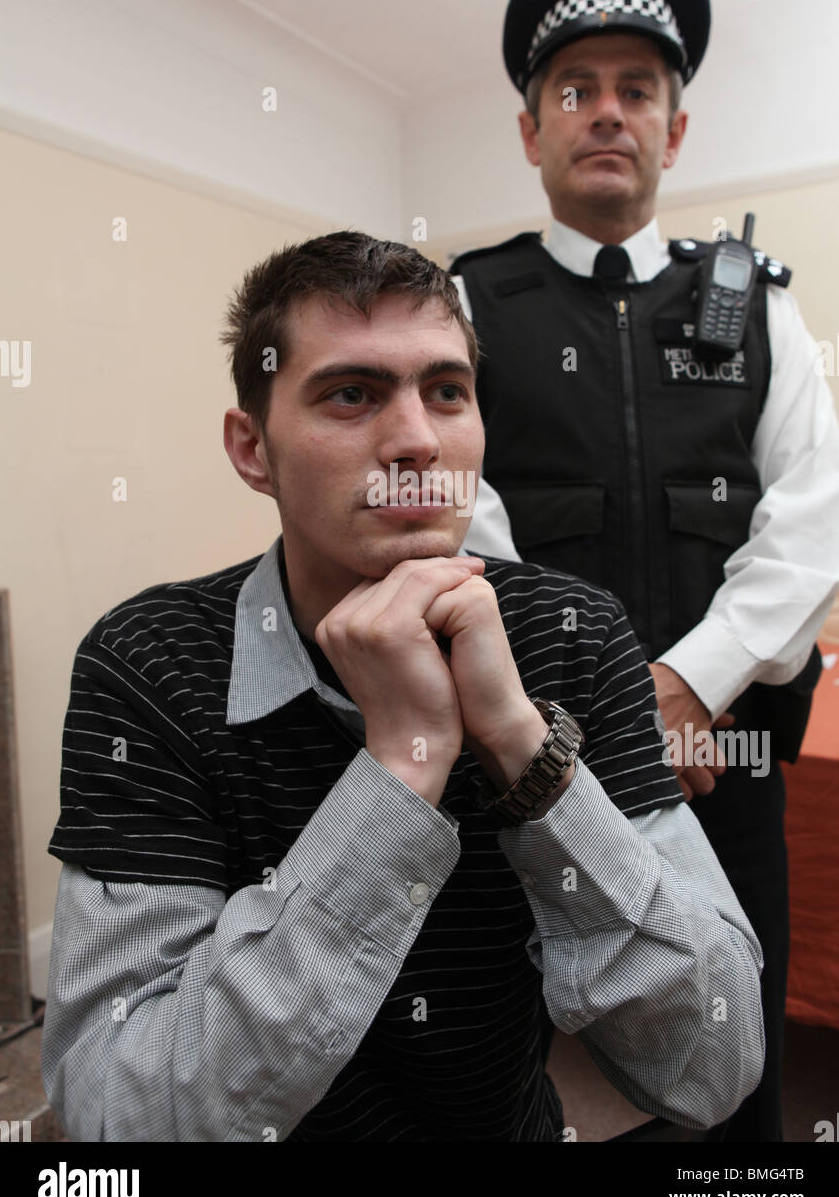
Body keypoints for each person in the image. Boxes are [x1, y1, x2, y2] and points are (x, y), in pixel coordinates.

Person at [42, 231, 764, 1143]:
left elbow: (715, 1061)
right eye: (353, 393)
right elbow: (118, 1116)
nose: (419, 440)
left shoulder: (573, 632)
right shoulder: (149, 662)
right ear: (253, 448)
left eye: (448, 392)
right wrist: (398, 771)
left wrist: (524, 752)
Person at [452, 0, 839, 1142]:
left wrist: (690, 684)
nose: (607, 113)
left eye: (637, 91)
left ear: (673, 133)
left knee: (732, 1072)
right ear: (530, 131)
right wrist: (591, 716)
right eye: (575, 90)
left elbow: (811, 514)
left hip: (724, 766)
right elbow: (453, 517)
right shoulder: (467, 306)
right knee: (539, 1071)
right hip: (533, 768)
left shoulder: (757, 301)